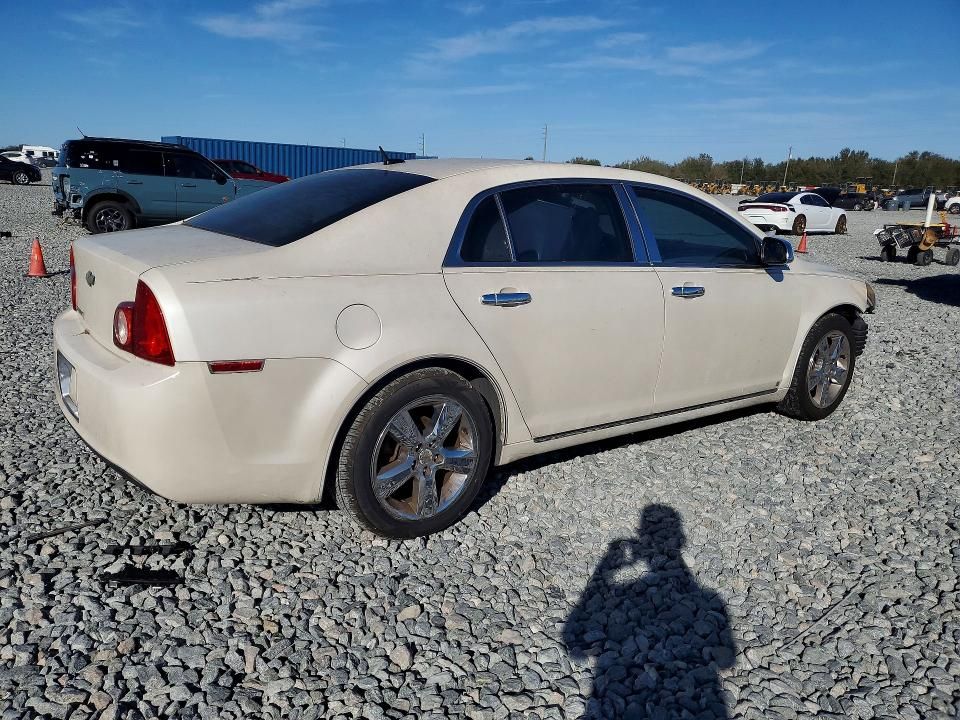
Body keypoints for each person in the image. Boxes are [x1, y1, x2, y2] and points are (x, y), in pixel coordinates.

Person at [564, 505, 736, 719]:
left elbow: (573, 644)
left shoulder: (708, 598)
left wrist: (608, 564)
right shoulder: (710, 598)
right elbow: (727, 661)